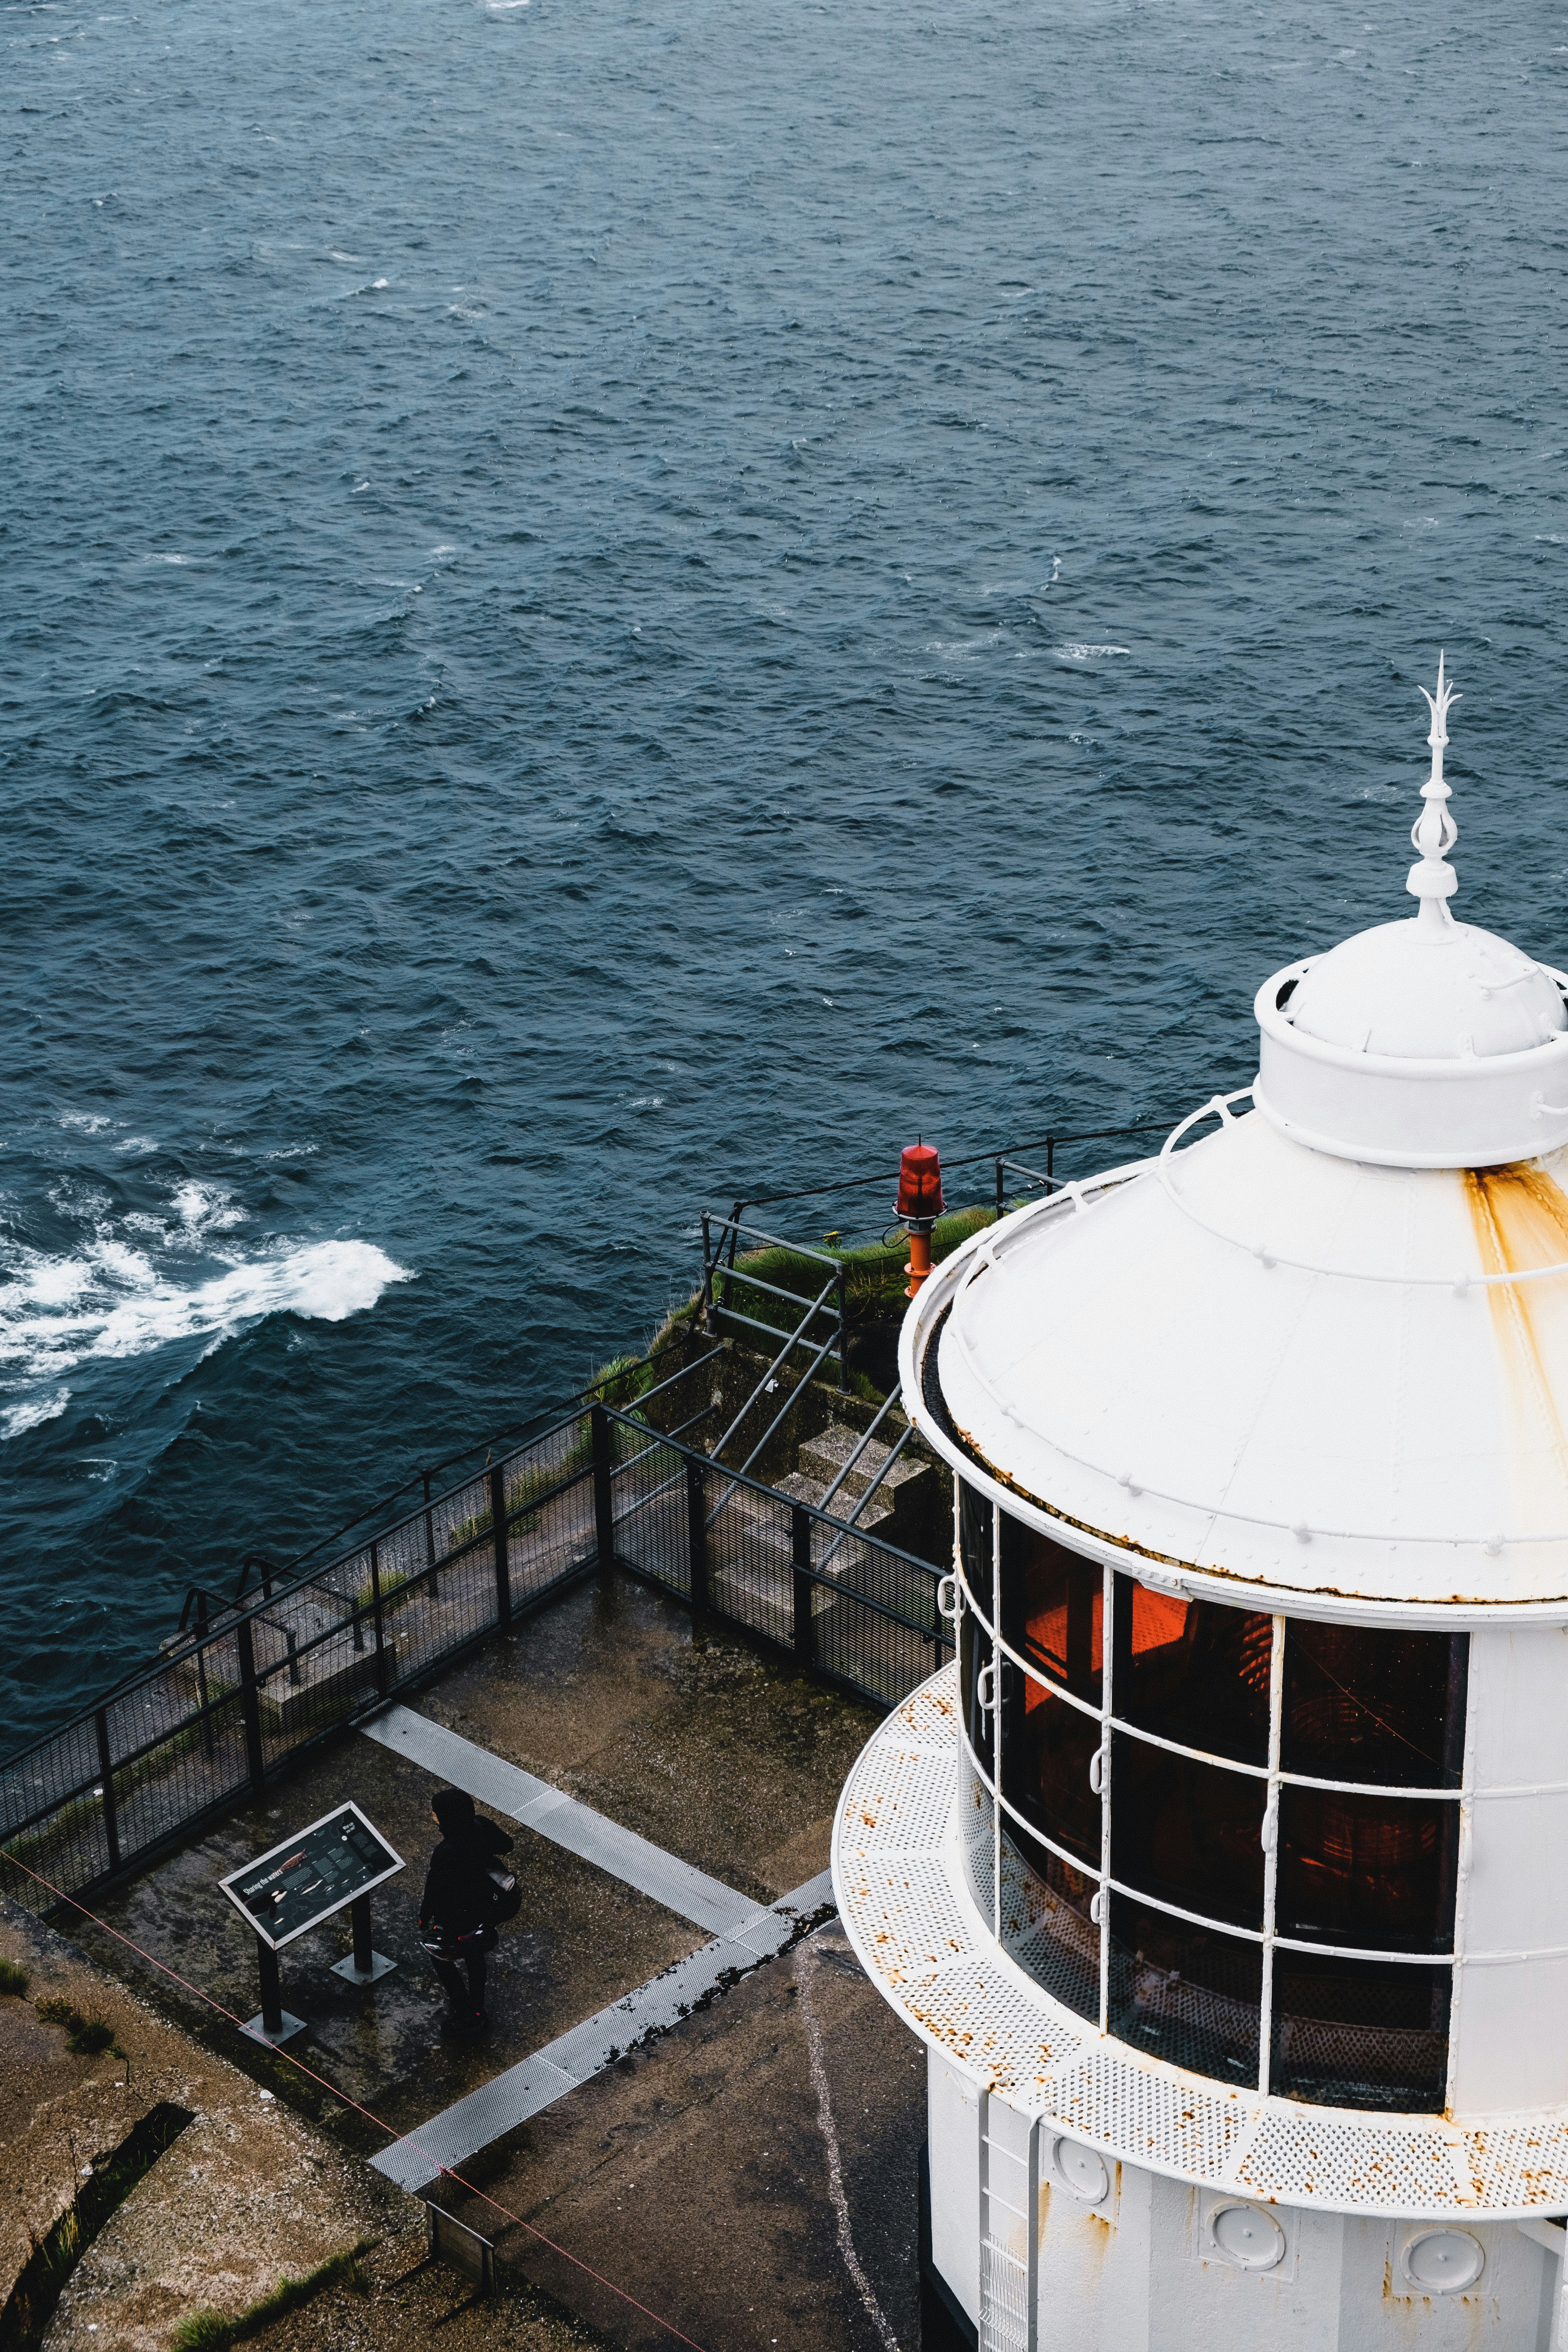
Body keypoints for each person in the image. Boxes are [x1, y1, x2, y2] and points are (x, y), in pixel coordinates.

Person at [418, 1785, 514, 2036]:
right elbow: (507, 1845)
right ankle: (478, 2004)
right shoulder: (480, 1826)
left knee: (441, 1956)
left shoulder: (446, 1852)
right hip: (483, 1907)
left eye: (436, 1814)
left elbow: (435, 1888)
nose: (434, 1817)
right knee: (475, 1953)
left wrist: (426, 1916)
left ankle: (464, 2011)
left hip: (456, 1915)